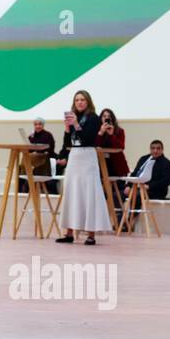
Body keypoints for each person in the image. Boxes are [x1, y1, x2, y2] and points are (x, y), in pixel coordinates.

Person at [54, 89, 111, 244]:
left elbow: (88, 138)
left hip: (87, 156)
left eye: (82, 99)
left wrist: (77, 125)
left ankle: (91, 234)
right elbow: (67, 144)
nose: (79, 102)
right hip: (74, 156)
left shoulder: (93, 118)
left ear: (88, 102)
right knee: (72, 192)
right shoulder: (74, 118)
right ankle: (69, 232)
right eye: (77, 99)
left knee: (89, 193)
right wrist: (67, 129)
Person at [18, 117, 56, 195]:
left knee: (30, 167)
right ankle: (21, 192)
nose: (38, 126)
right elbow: (28, 149)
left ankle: (27, 189)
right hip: (33, 160)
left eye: (40, 124)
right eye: (36, 124)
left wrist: (38, 152)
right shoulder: (32, 136)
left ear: (43, 125)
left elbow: (50, 150)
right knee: (21, 167)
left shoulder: (48, 135)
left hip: (43, 161)